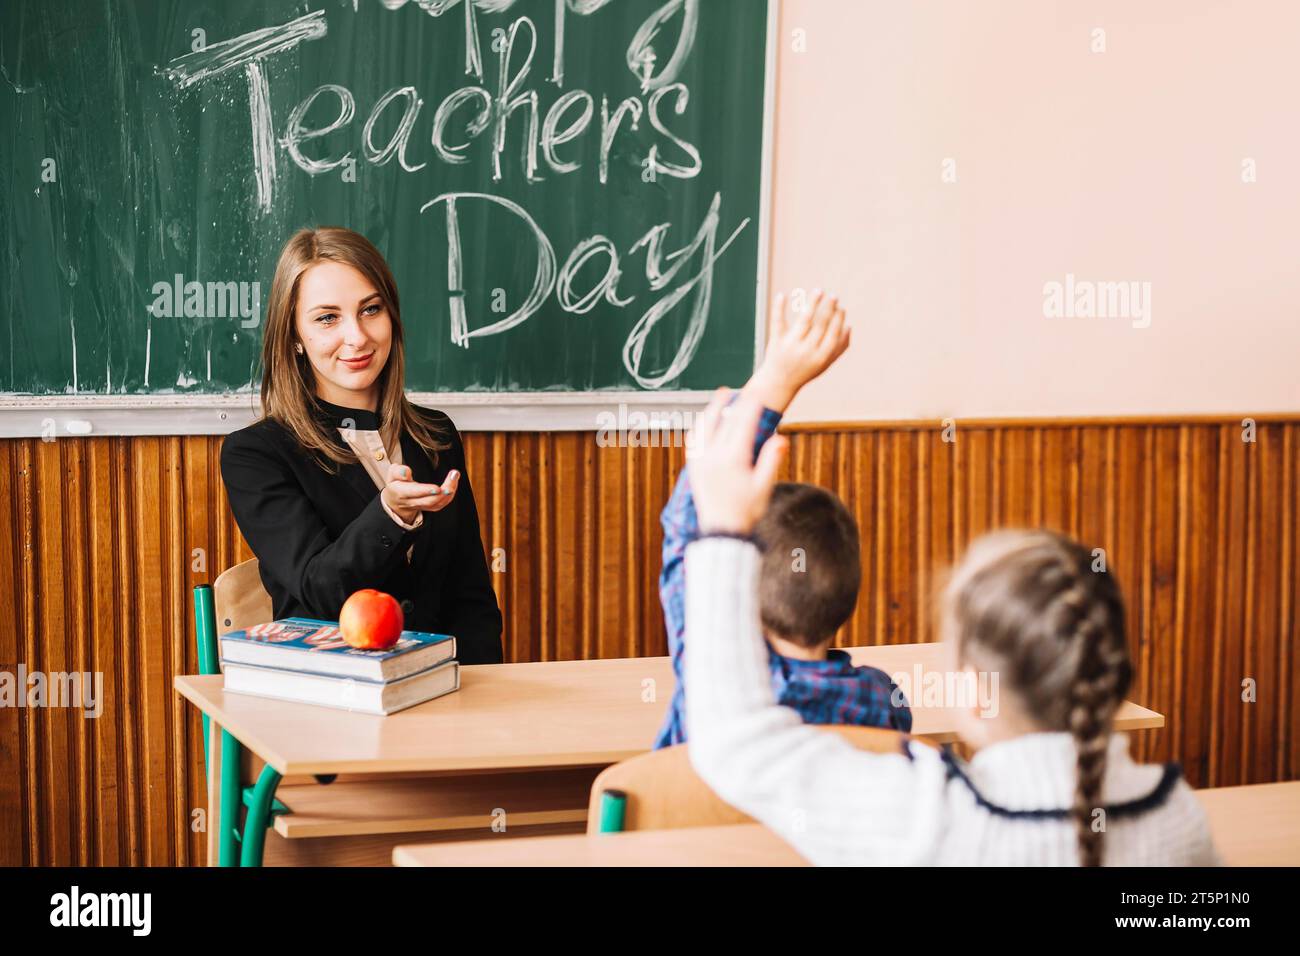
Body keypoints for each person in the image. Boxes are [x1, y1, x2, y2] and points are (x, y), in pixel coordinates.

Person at [680, 389, 1220, 865]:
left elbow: (736, 741)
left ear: (974, 690)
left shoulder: (925, 818)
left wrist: (724, 532)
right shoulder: (1177, 818)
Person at [220, 226, 503, 663]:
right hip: (332, 698)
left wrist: (486, 698)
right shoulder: (256, 454)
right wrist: (392, 515)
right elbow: (322, 589)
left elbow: (471, 598)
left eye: (371, 309)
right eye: (327, 318)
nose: (357, 337)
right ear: (294, 334)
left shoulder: (434, 434)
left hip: (444, 694)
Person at [654, 291, 911, 747]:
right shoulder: (881, 701)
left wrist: (775, 381)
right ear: (845, 596)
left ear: (732, 587)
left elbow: (687, 522)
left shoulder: (712, 687)